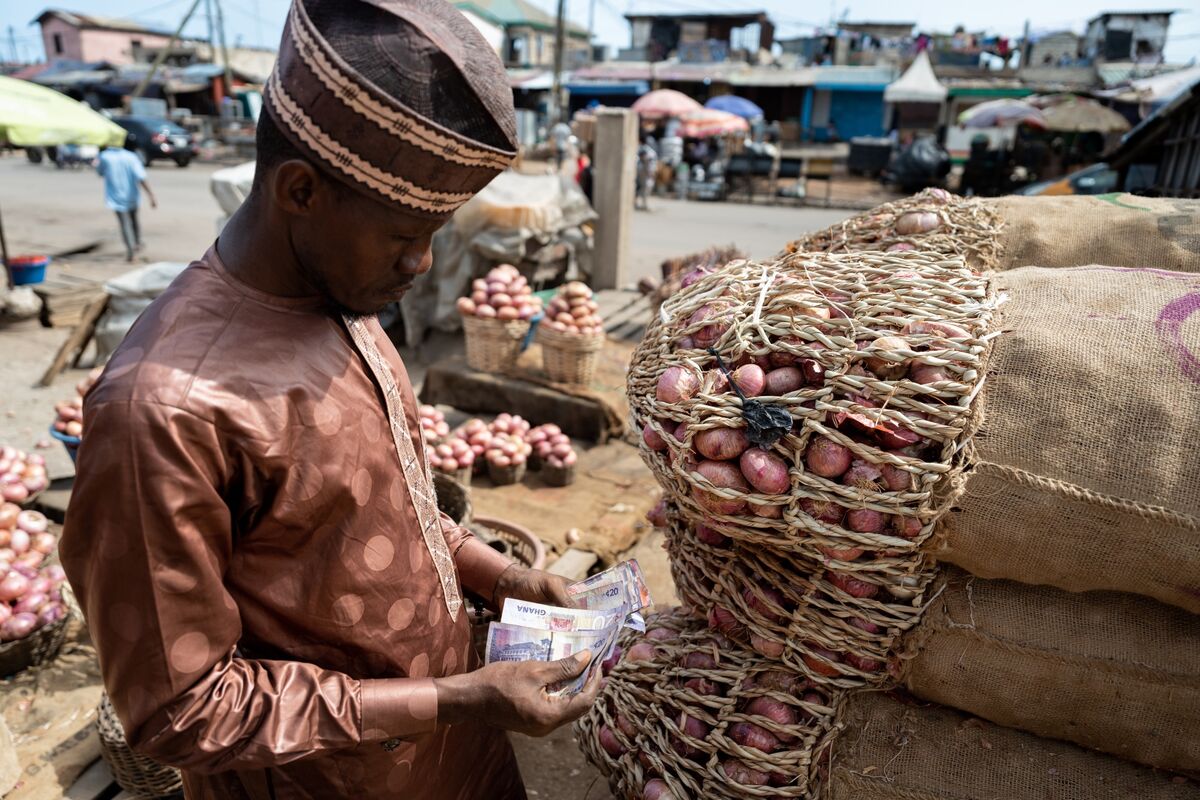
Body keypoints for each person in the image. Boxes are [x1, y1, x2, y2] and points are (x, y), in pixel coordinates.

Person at [60, 2, 599, 798]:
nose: (421, 263)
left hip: (457, 754)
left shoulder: (346, 302)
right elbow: (177, 708)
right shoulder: (161, 412)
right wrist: (452, 698)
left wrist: (499, 577)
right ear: (301, 190)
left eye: (438, 230)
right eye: (402, 234)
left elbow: (396, 512)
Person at [96, 140, 156, 262]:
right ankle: (136, 244)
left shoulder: (105, 156)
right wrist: (151, 196)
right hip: (132, 196)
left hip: (116, 197)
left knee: (125, 224)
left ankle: (131, 252)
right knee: (134, 221)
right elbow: (141, 177)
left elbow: (100, 172)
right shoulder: (131, 157)